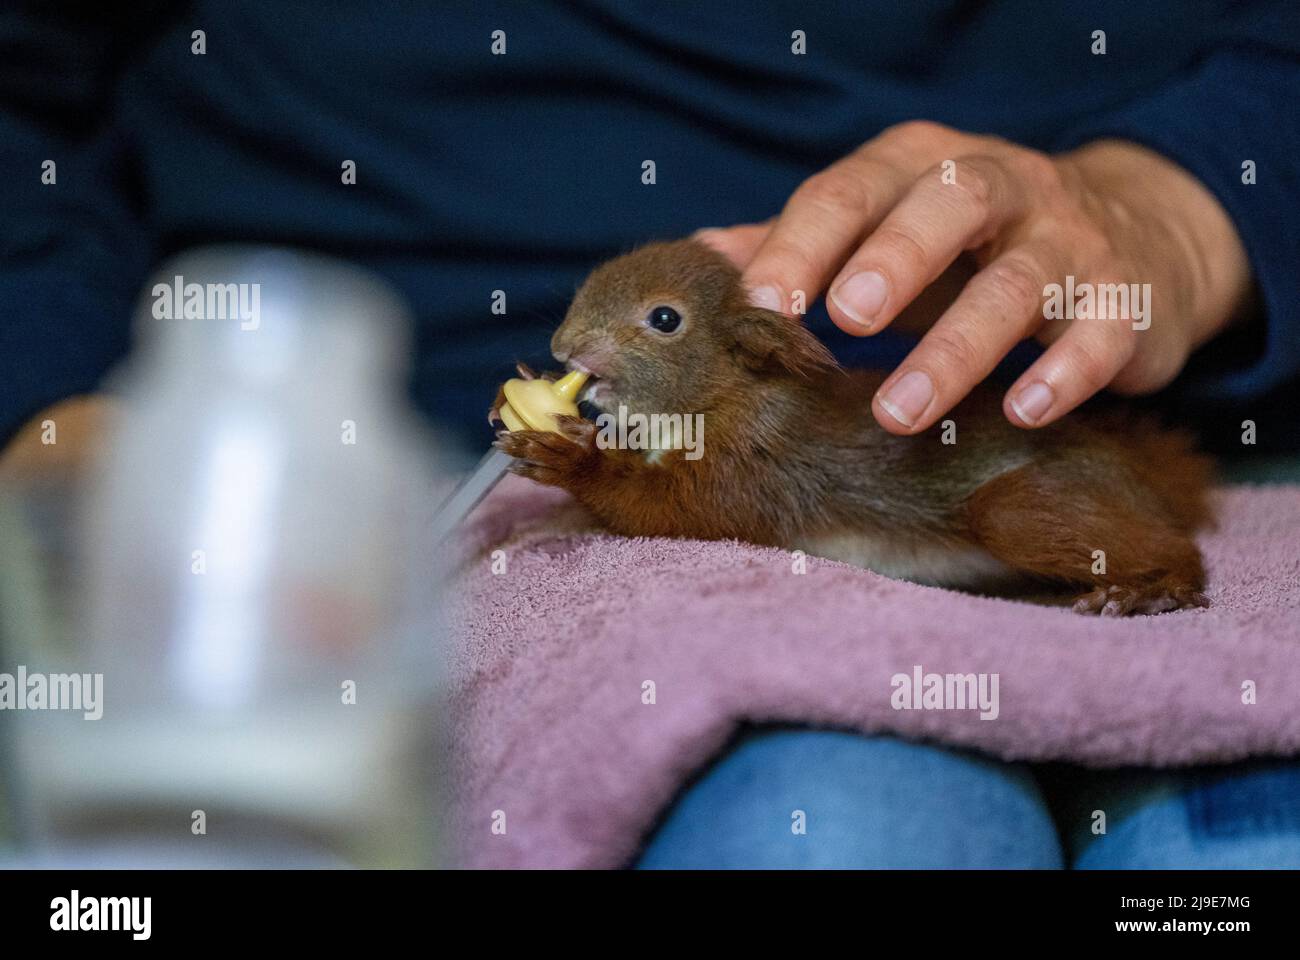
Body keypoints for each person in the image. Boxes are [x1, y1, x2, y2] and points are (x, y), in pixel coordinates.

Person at [2, 1, 1298, 867]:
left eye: (651, 326)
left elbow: (717, 503)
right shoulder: (668, 435)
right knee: (841, 835)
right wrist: (47, 391)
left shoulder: (758, 431)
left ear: (740, 355)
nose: (586, 357)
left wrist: (1187, 203)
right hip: (370, 435)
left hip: (1175, 388)